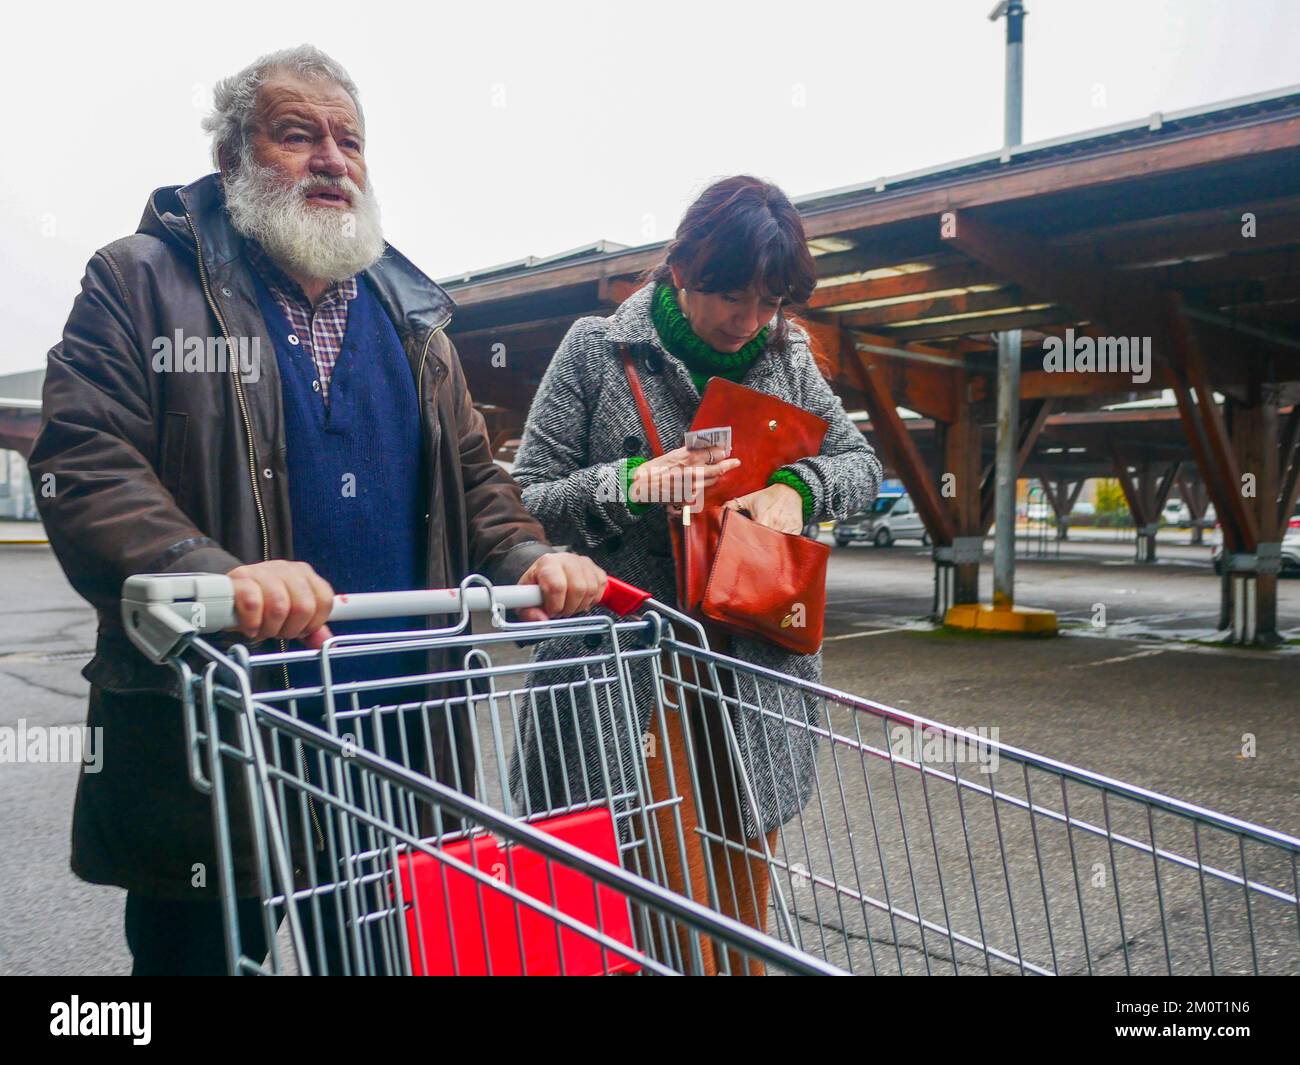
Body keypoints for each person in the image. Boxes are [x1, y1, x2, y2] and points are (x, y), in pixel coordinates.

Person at [28, 45, 605, 975]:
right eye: (297, 135)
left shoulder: (413, 323)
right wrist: (211, 574)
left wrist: (531, 557)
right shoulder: (140, 282)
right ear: (233, 162)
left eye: (350, 140)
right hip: (217, 742)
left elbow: (474, 482)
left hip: (395, 748)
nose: (332, 159)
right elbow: (87, 457)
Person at [510, 174, 882, 973]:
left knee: (743, 898)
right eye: (732, 295)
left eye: (770, 299)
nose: (748, 319)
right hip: (629, 666)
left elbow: (859, 464)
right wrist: (632, 482)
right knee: (659, 895)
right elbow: (526, 500)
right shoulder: (597, 350)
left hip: (753, 659)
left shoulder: (788, 357)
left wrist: (796, 489)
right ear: (682, 268)